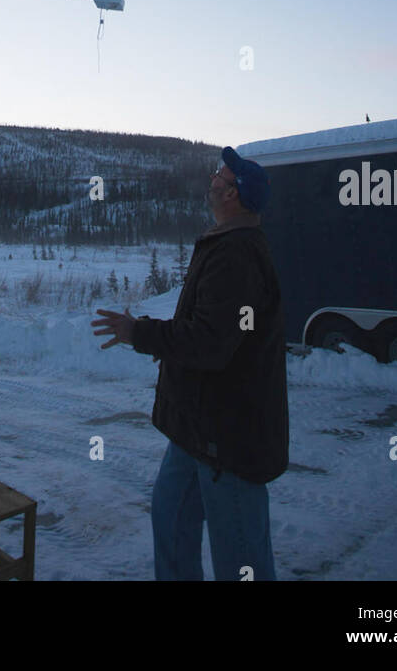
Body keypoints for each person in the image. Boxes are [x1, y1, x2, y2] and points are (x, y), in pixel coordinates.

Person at [91, 146, 288, 580]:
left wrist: (136, 332)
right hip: (197, 430)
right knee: (171, 519)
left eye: (221, 175)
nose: (213, 179)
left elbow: (209, 343)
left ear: (233, 194)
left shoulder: (236, 255)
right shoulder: (226, 245)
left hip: (229, 438)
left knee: (241, 557)